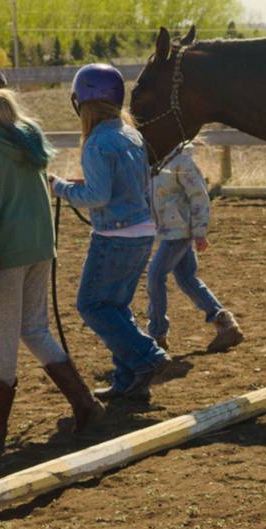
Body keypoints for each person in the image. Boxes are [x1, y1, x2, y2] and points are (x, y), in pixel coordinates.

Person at [0, 59, 105, 441]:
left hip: (7, 254)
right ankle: (84, 403)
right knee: (34, 328)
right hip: (40, 248)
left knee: (3, 334)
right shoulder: (27, 132)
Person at [49, 63, 170, 404]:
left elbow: (98, 196)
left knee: (91, 305)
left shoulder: (97, 142)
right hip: (142, 231)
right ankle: (130, 380)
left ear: (83, 103)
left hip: (115, 236)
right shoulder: (132, 135)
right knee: (116, 306)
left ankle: (148, 355)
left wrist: (60, 189)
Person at [146, 143, 244, 353]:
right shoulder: (156, 162)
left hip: (179, 232)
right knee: (187, 279)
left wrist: (200, 230)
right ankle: (225, 323)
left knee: (155, 276)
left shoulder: (182, 162)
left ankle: (157, 334)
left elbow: (199, 196)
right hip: (169, 230)